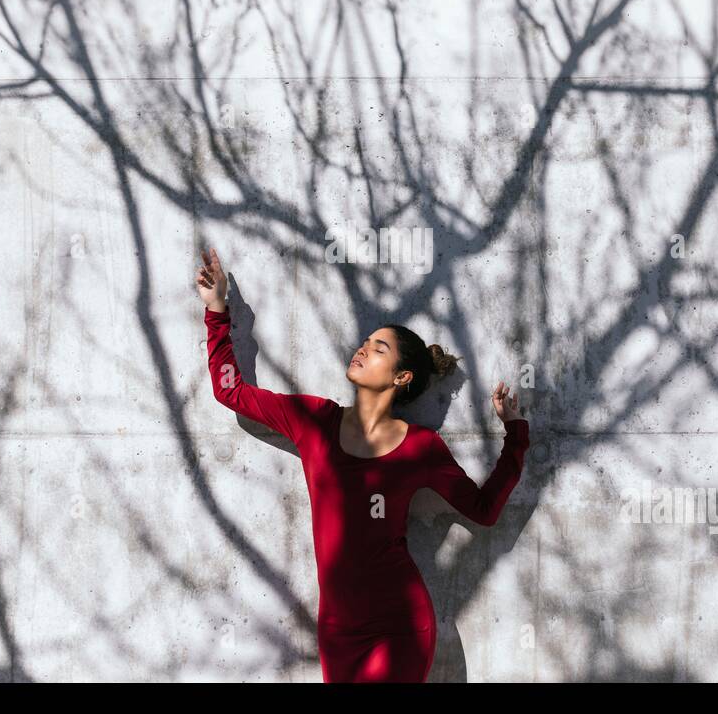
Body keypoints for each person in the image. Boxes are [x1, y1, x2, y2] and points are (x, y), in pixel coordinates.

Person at [196, 246, 530, 682]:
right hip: (338, 631)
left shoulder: (420, 448)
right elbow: (232, 393)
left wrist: (516, 434)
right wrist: (218, 310)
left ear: (401, 377)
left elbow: (484, 511)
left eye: (378, 349)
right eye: (365, 343)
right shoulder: (314, 420)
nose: (362, 349)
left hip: (400, 625)